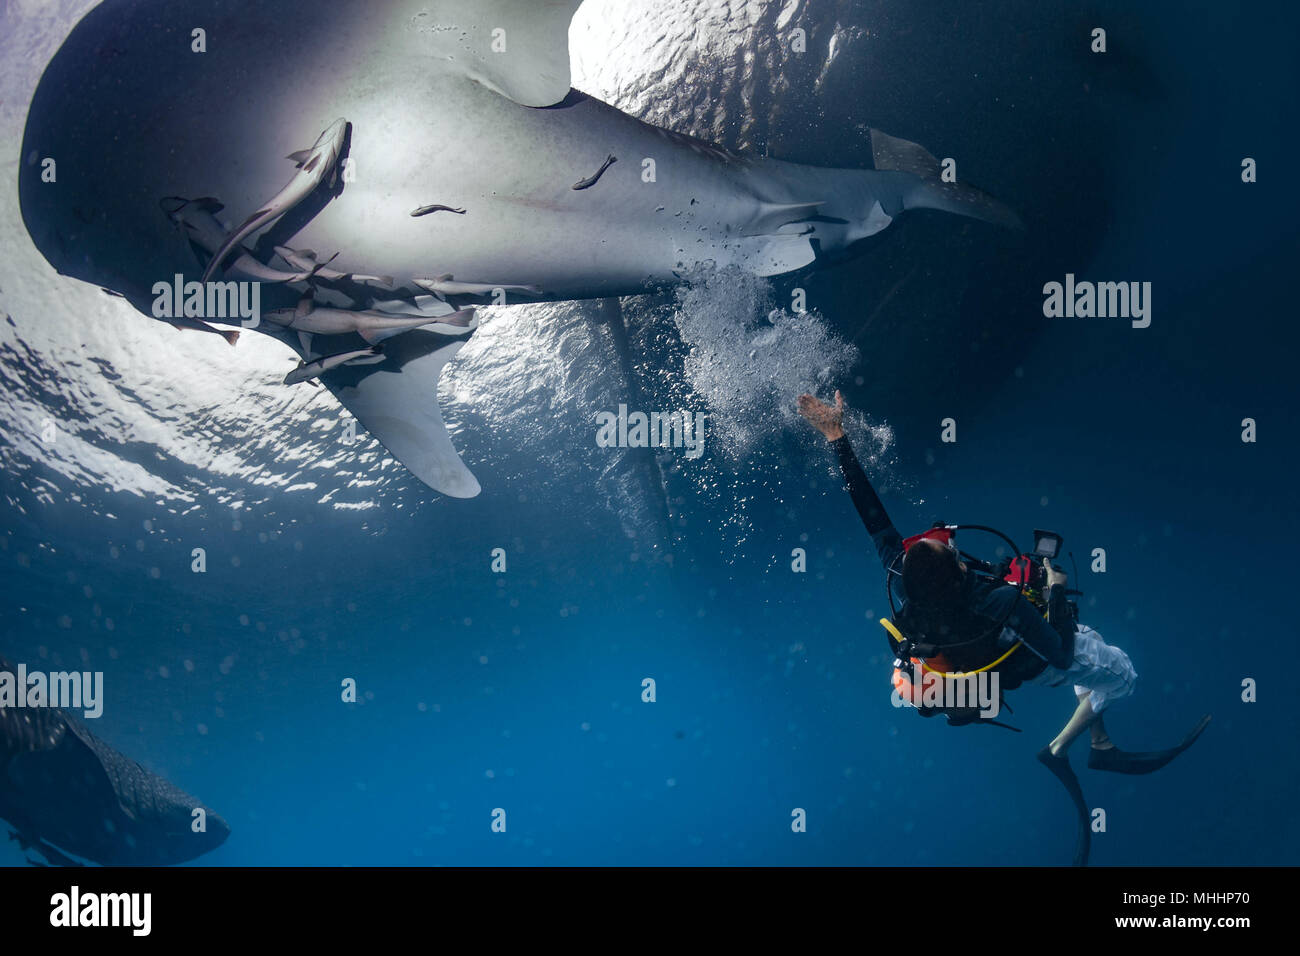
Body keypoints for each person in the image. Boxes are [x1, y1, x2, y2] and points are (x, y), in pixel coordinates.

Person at [798, 390, 1210, 864]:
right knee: (1120, 674)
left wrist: (836, 436)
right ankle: (1059, 749)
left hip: (985, 665)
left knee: (1088, 663)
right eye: (946, 550)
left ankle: (1099, 743)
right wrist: (1053, 587)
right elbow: (1057, 651)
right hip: (1037, 664)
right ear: (955, 572)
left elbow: (874, 521)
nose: (943, 544)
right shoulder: (996, 600)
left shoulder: (905, 585)